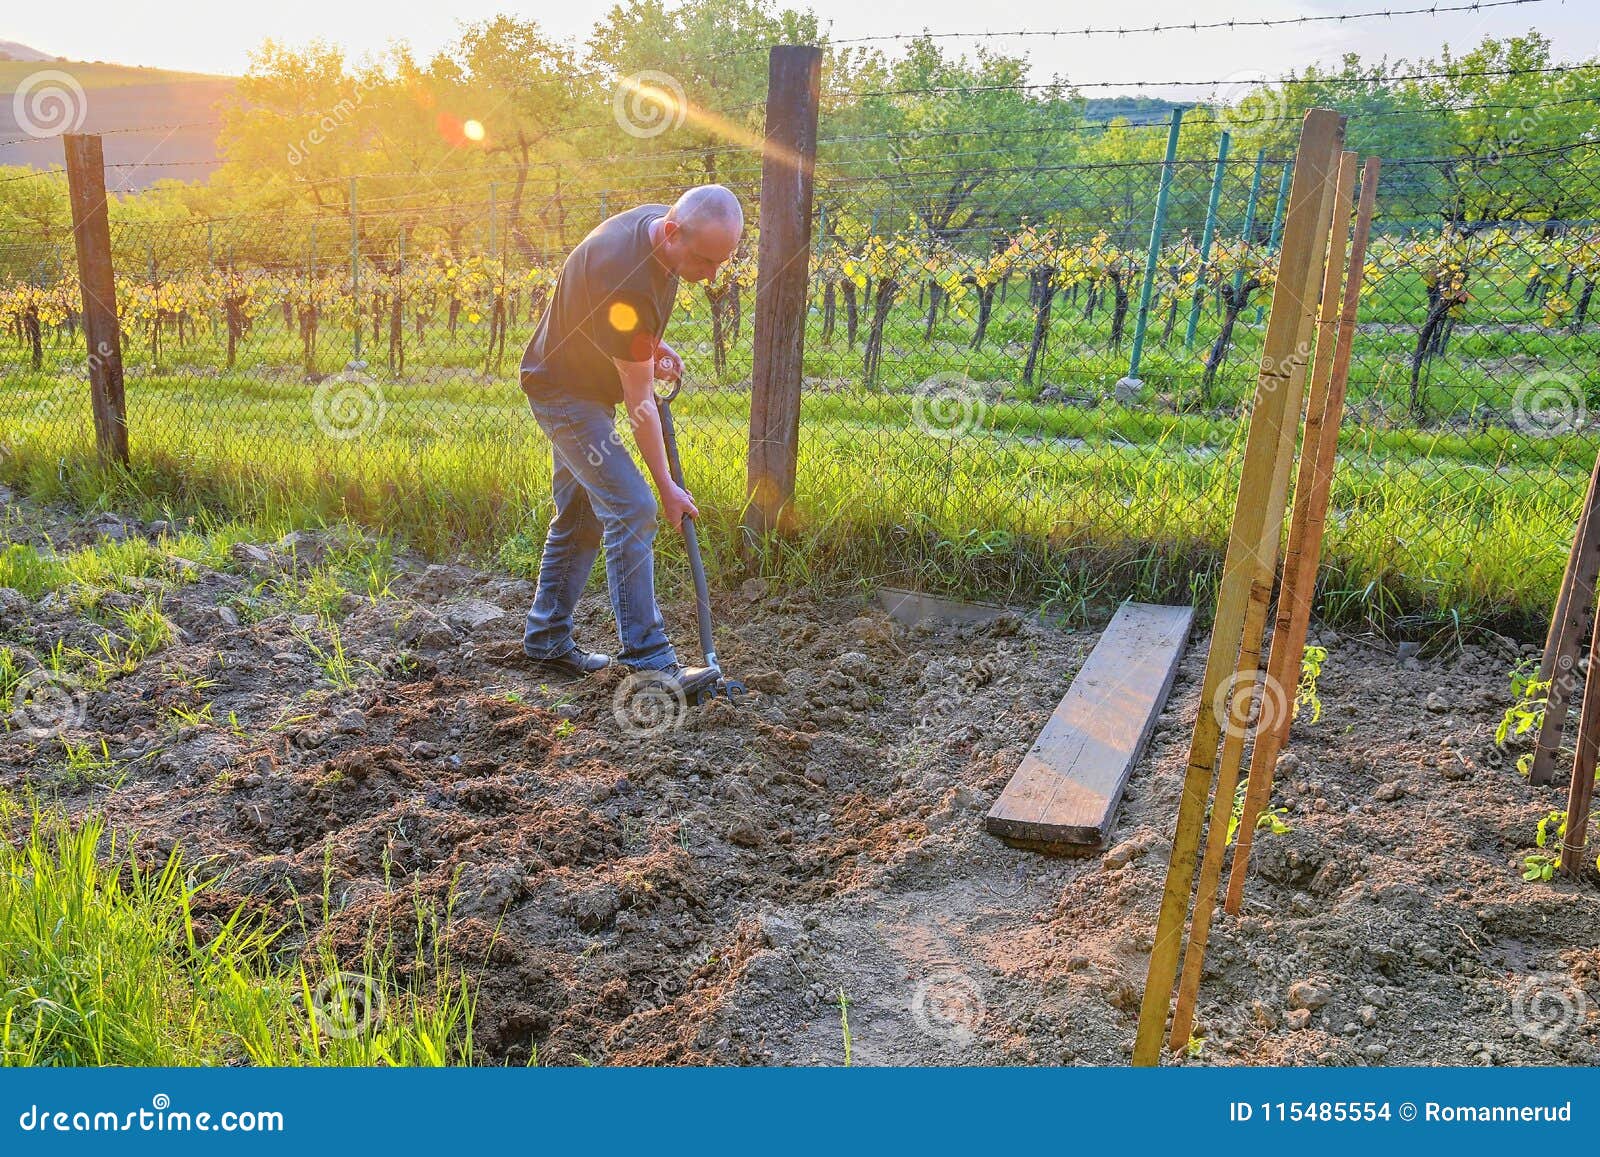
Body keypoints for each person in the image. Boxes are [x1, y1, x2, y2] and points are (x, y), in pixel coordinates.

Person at [518, 184, 743, 698]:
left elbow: (613, 319)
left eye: (722, 262)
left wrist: (650, 343)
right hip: (564, 393)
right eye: (706, 261)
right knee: (633, 506)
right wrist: (666, 489)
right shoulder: (624, 273)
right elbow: (642, 406)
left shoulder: (655, 228)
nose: (712, 276)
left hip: (583, 384)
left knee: (580, 514)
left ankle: (547, 637)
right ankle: (651, 658)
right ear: (672, 232)